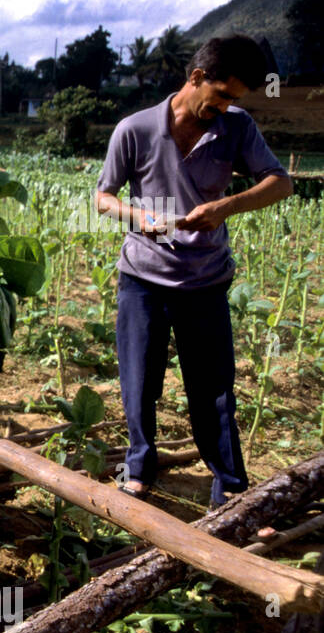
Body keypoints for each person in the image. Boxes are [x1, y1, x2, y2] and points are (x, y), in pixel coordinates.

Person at [94, 35, 292, 509]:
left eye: (235, 100)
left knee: (214, 388)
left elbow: (280, 182)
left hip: (204, 279)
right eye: (221, 95)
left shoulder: (236, 127)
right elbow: (103, 198)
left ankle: (230, 483)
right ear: (196, 78)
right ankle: (139, 463)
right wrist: (141, 219)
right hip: (143, 277)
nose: (225, 107)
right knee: (139, 379)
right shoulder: (136, 129)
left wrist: (225, 206)